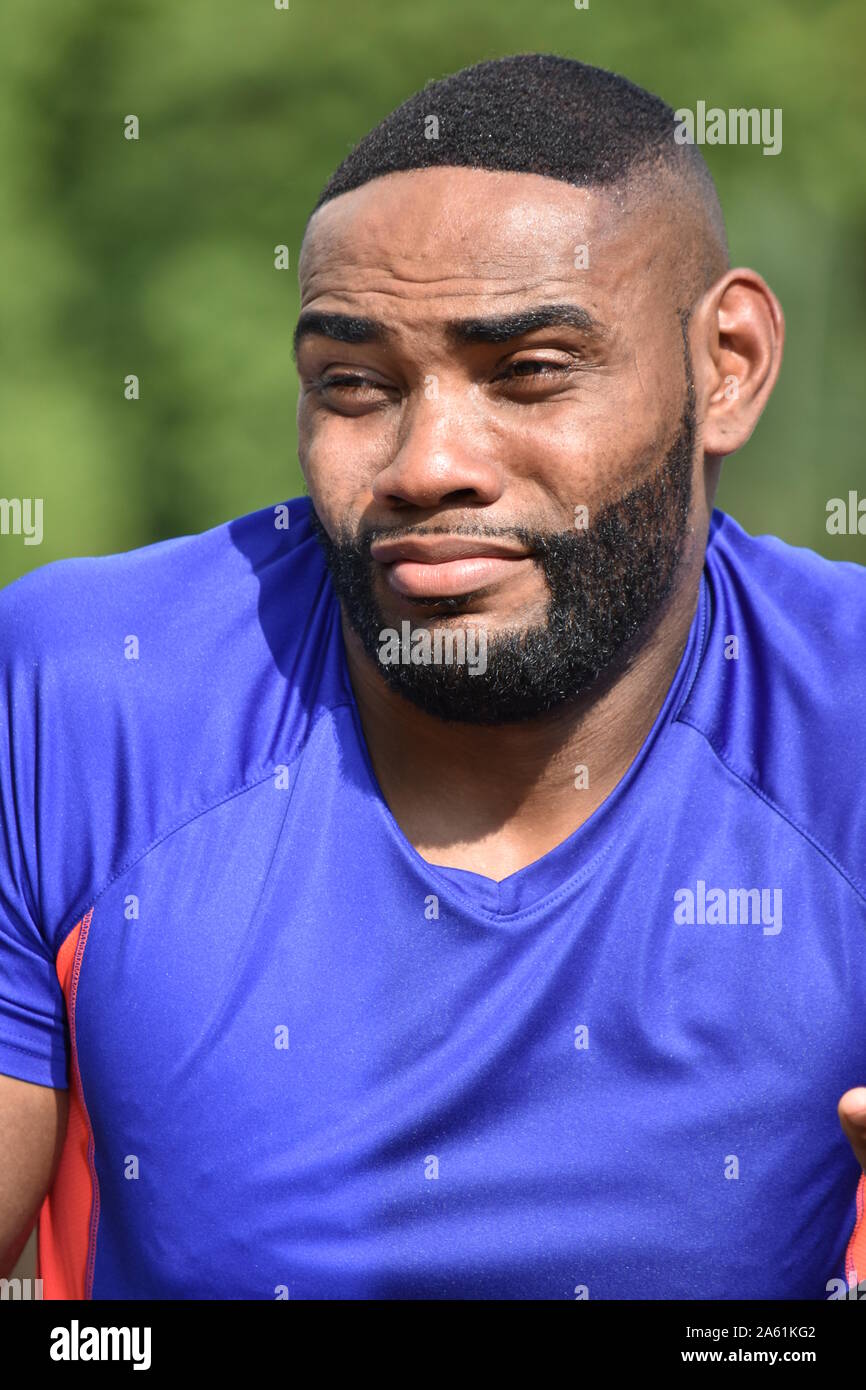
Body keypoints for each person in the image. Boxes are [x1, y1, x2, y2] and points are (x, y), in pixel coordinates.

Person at [1, 53, 865, 1301]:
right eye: (354, 385)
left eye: (527, 372)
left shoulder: (841, 726)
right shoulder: (86, 696)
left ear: (724, 363)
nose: (426, 464)